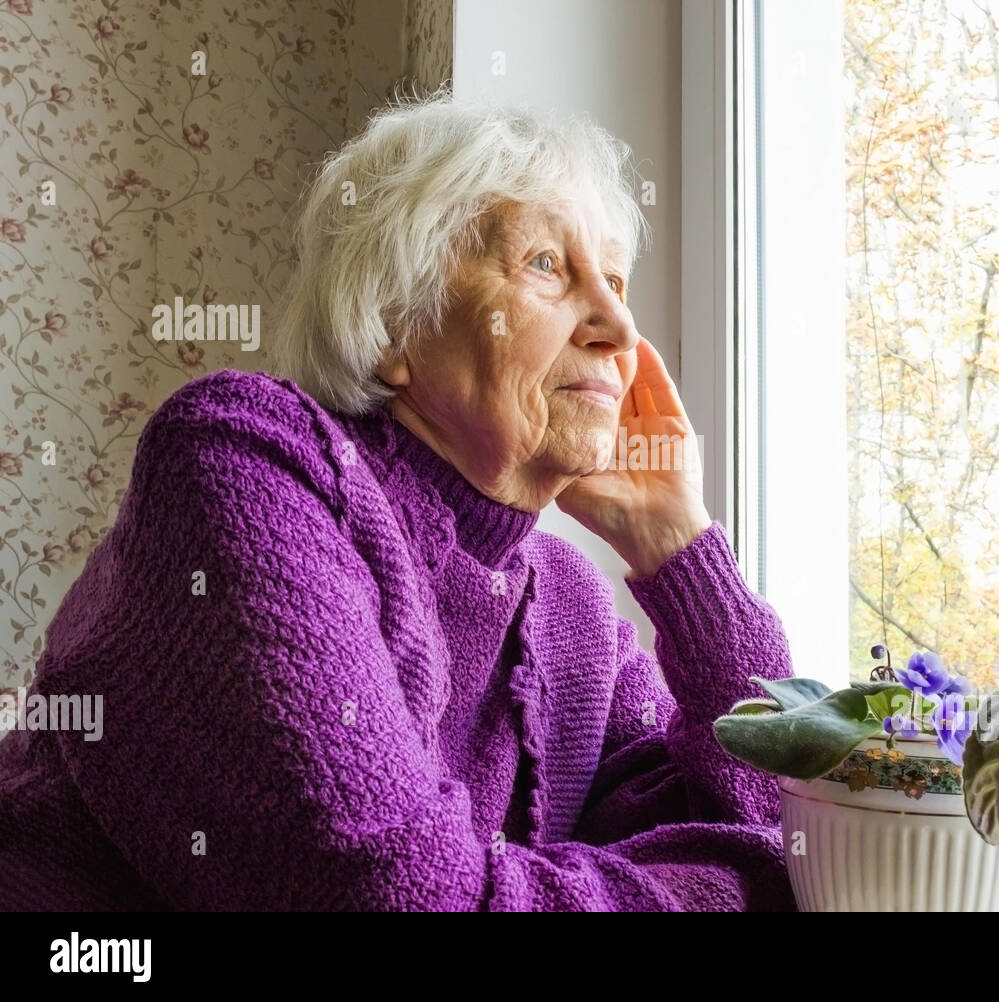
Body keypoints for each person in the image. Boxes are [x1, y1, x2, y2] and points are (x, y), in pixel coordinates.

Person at [0, 95, 798, 911]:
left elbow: (785, 828)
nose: (621, 326)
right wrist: (751, 889)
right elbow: (391, 892)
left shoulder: (568, 607)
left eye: (617, 280)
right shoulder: (247, 461)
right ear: (394, 325)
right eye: (546, 265)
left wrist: (680, 548)